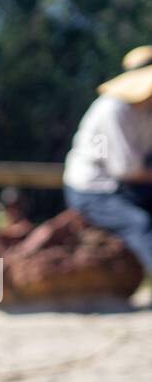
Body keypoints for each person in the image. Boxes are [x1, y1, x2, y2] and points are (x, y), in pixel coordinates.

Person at [64, 46, 152, 273]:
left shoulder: (145, 112)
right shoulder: (113, 110)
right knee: (139, 223)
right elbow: (128, 169)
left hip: (125, 185)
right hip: (93, 191)